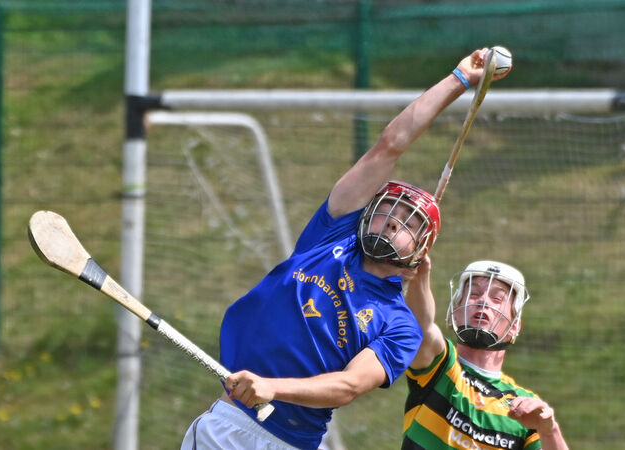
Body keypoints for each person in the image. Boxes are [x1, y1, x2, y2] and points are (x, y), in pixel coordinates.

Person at [180, 47, 510, 450]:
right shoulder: (333, 234)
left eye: (408, 222)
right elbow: (390, 145)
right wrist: (458, 80)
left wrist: (273, 388)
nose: (393, 219)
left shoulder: (399, 325)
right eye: (386, 208)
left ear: (422, 250)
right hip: (232, 429)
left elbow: (349, 386)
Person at [402, 257, 569, 449]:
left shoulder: (524, 407)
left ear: (515, 326)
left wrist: (549, 431)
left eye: (497, 298)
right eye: (474, 294)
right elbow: (422, 328)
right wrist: (421, 274)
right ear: (455, 312)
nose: (483, 301)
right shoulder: (440, 366)